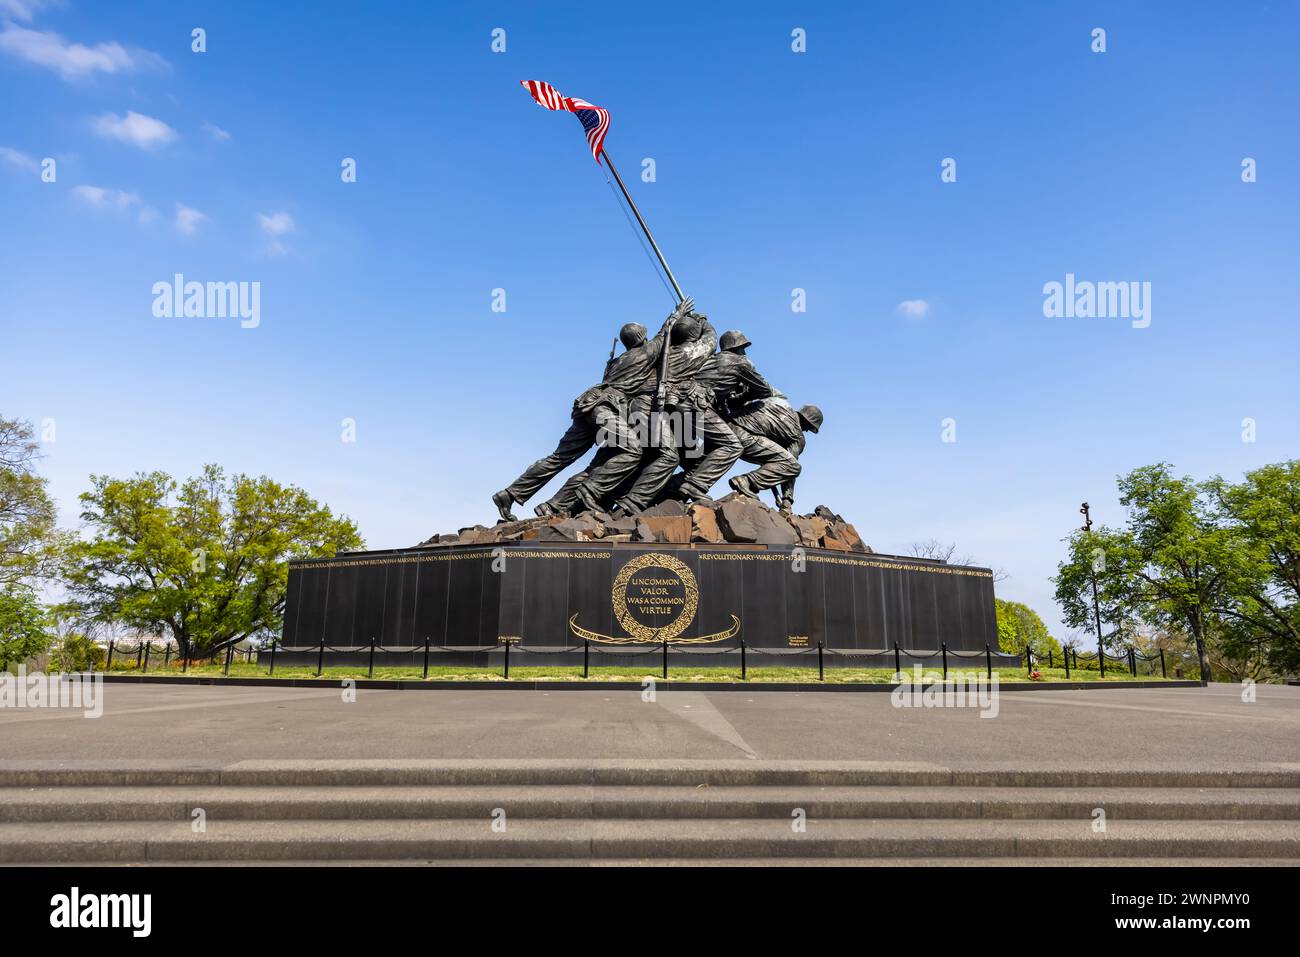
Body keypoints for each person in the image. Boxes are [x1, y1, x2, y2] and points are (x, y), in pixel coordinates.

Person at [490, 300, 691, 522]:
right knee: (633, 450)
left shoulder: (616, 361)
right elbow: (666, 333)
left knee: (559, 458)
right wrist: (678, 313)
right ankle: (590, 490)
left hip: (587, 405)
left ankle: (511, 493)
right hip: (605, 409)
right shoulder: (644, 353)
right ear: (642, 338)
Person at [726, 398, 822, 511]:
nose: (806, 431)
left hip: (723, 425)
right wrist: (787, 500)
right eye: (810, 428)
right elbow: (789, 466)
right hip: (744, 437)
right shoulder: (797, 435)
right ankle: (747, 481)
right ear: (807, 422)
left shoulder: (779, 403)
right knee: (793, 466)